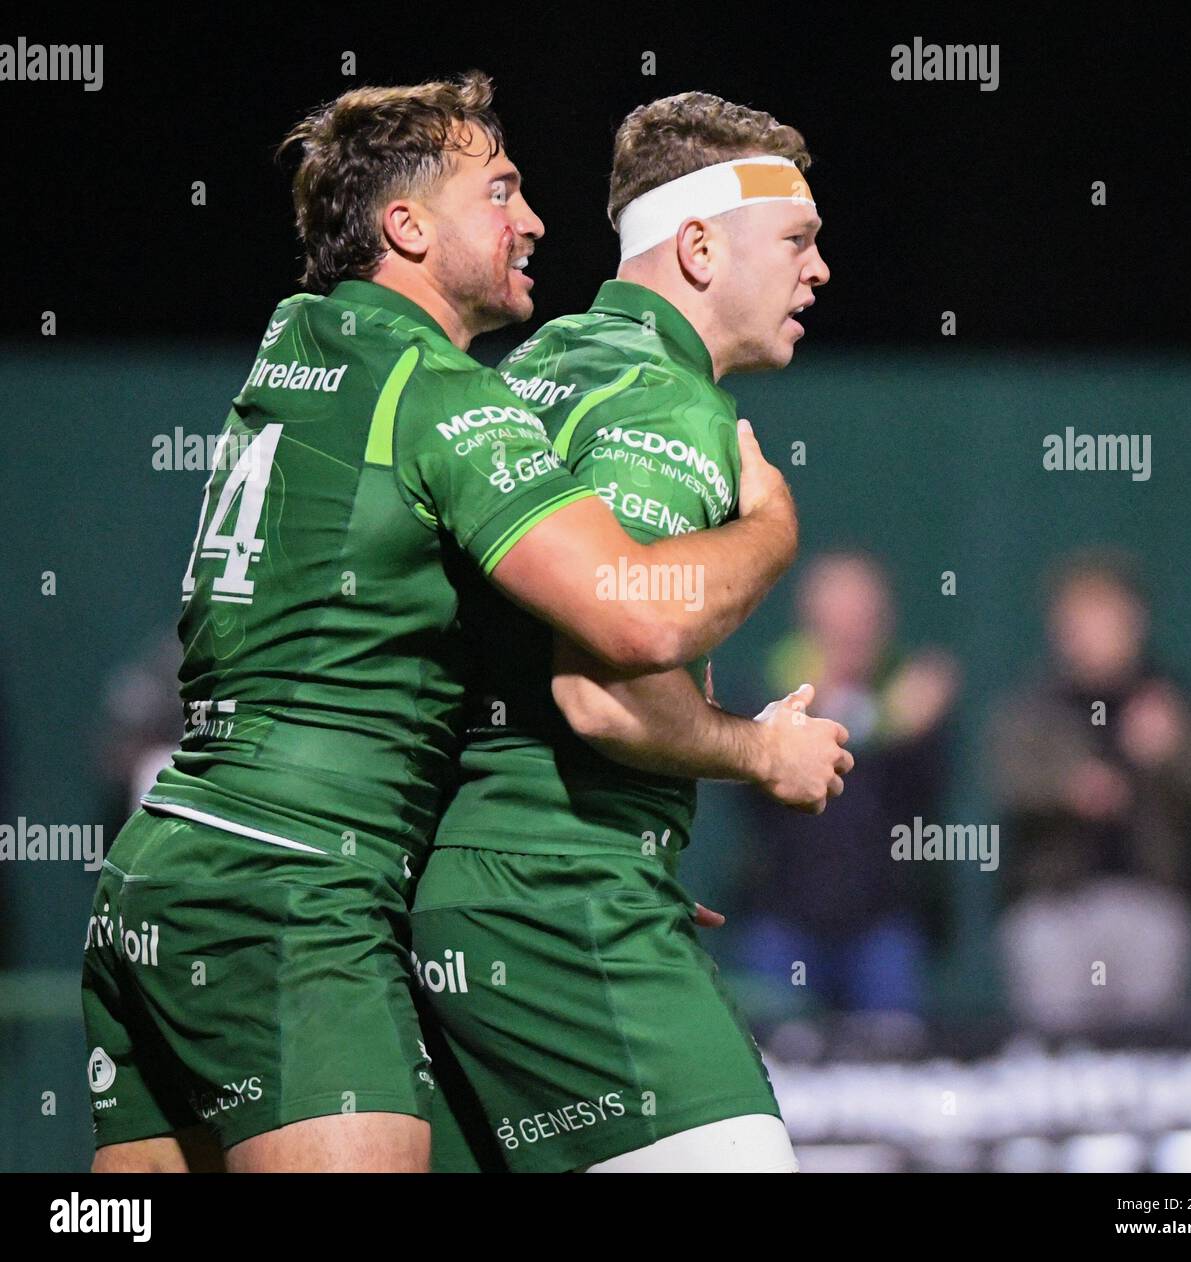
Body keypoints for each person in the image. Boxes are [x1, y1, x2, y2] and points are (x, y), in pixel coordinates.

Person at [81, 75, 799, 1173]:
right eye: (500, 190)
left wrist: (588, 830)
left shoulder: (297, 353)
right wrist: (770, 531)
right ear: (406, 226)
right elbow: (632, 622)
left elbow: (436, 655)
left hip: (162, 868)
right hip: (293, 886)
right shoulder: (439, 392)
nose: (534, 221)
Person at [414, 91, 852, 1173]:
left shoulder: (528, 368)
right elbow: (601, 693)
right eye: (797, 240)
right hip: (560, 899)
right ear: (699, 246)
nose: (819, 271)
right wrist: (764, 749)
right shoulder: (664, 399)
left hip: (450, 896)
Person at [989, 550, 1191, 1035]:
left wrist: (1171, 749)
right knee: (1056, 1054)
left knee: (1149, 1052)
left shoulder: (1169, 700)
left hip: (1150, 899)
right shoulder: (1036, 706)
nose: (1090, 632)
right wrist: (1069, 787)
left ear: (1133, 622)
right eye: (1078, 617)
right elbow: (1008, 780)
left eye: (1104, 616)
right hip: (1056, 904)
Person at [740, 553, 958, 1033]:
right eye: (837, 617)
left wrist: (912, 727)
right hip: (784, 921)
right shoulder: (771, 692)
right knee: (772, 1060)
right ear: (810, 622)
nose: (851, 632)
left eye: (863, 617)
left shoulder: (917, 697)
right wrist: (885, 723)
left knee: (895, 1058)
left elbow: (923, 793)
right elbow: (752, 787)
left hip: (884, 925)